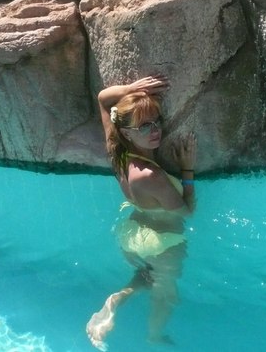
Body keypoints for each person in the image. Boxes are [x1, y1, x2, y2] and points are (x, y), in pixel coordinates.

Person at [86, 75, 197, 349]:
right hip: (165, 242)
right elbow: (187, 212)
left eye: (156, 121)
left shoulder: (117, 153)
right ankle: (154, 336)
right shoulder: (150, 176)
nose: (155, 130)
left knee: (147, 276)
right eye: (144, 126)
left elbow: (103, 99)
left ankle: (116, 300)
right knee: (166, 294)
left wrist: (131, 90)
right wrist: (187, 169)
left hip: (133, 232)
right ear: (127, 132)